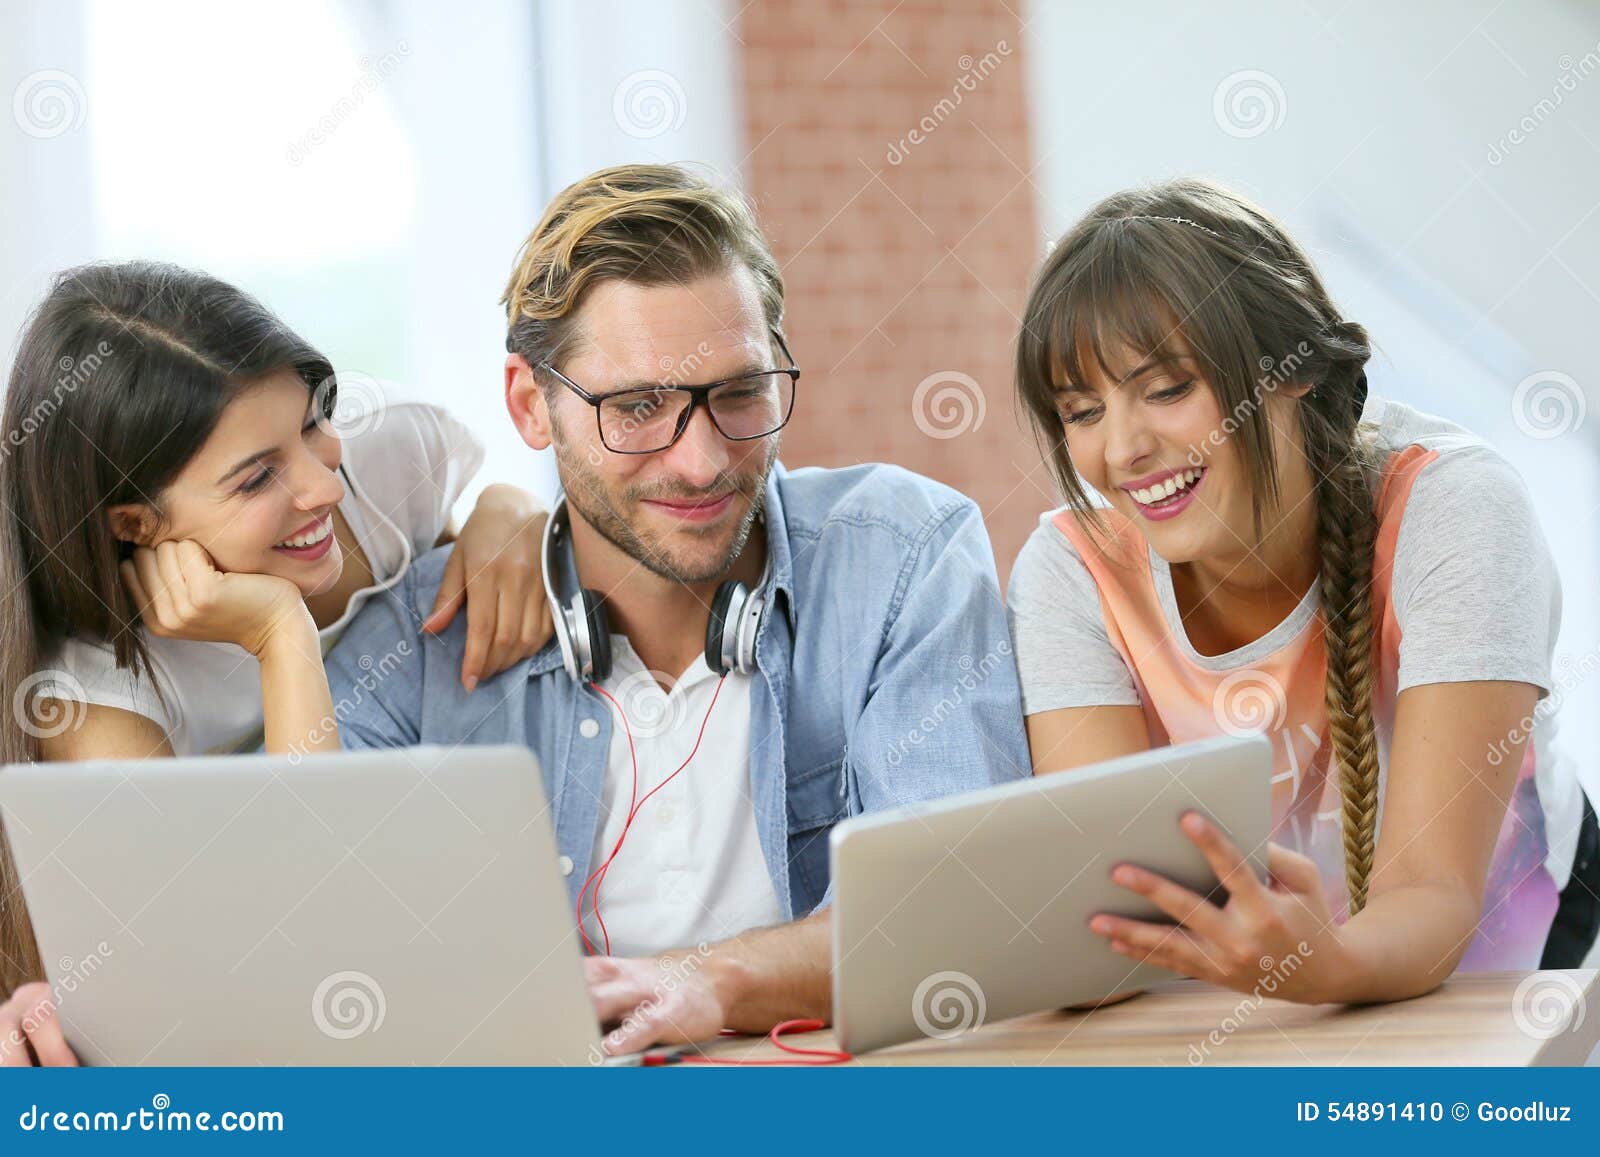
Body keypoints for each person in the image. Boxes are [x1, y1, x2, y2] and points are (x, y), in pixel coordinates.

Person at [320, 163, 1030, 1054]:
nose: (702, 462)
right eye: (639, 407)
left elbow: (959, 911)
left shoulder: (902, 559)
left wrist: (711, 980)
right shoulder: (411, 648)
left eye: (739, 392)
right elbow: (330, 971)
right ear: (530, 405)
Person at [1008, 177, 1600, 1006]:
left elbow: (1431, 893)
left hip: (1501, 946)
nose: (1122, 449)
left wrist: (1322, 966)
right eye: (1081, 411)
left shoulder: (1454, 510)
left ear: (1291, 369)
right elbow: (1110, 906)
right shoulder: (1071, 570)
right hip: (1253, 982)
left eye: (1168, 389)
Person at [0, 262, 555, 1047]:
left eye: (312, 421)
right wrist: (279, 636)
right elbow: (301, 934)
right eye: (258, 478)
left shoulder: (383, 456)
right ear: (136, 524)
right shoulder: (93, 695)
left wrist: (514, 510)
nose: (324, 486)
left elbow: (460, 579)